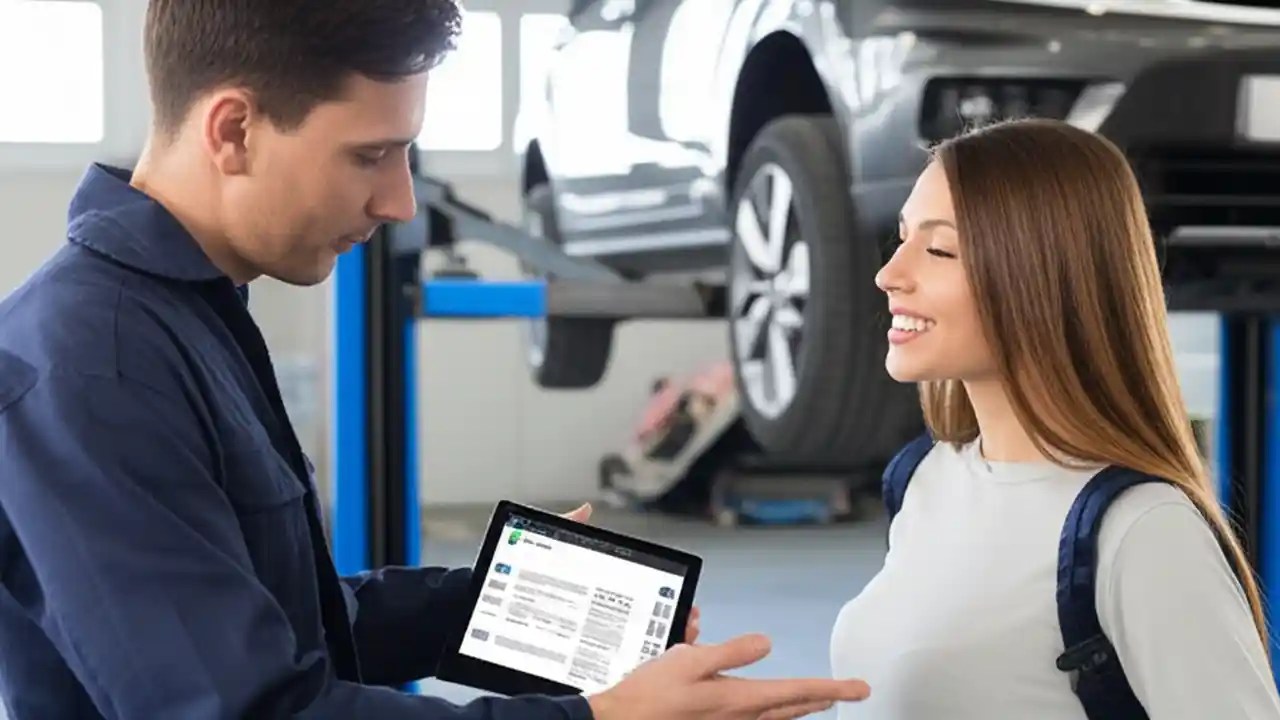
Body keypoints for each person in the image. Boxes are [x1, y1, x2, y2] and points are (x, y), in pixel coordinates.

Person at [0, 1, 871, 719]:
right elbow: (247, 711)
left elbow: (294, 626)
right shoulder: (94, 366)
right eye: (370, 155)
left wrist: (509, 604)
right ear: (233, 130)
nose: (399, 199)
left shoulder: (185, 316)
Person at [830, 117, 1280, 719]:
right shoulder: (925, 479)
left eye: (938, 249)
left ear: (1040, 277)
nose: (890, 275)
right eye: (903, 237)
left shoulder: (1142, 530)